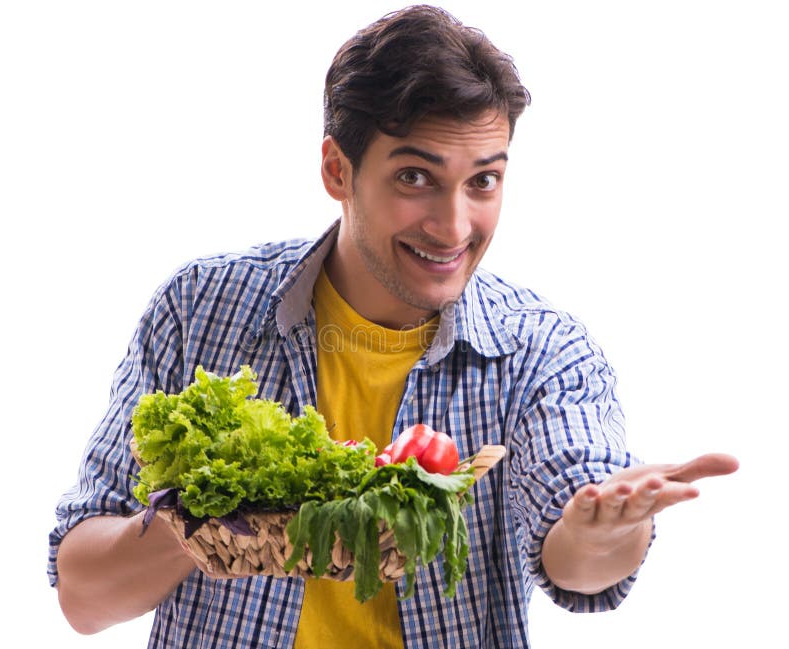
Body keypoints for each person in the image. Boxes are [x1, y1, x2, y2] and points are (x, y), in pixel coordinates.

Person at [49, 5, 738, 648]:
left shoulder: (541, 351)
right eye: (415, 177)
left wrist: (608, 528)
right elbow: (83, 593)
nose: (454, 226)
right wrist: (214, 517)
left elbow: (577, 548)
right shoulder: (201, 309)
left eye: (483, 181)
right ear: (336, 170)